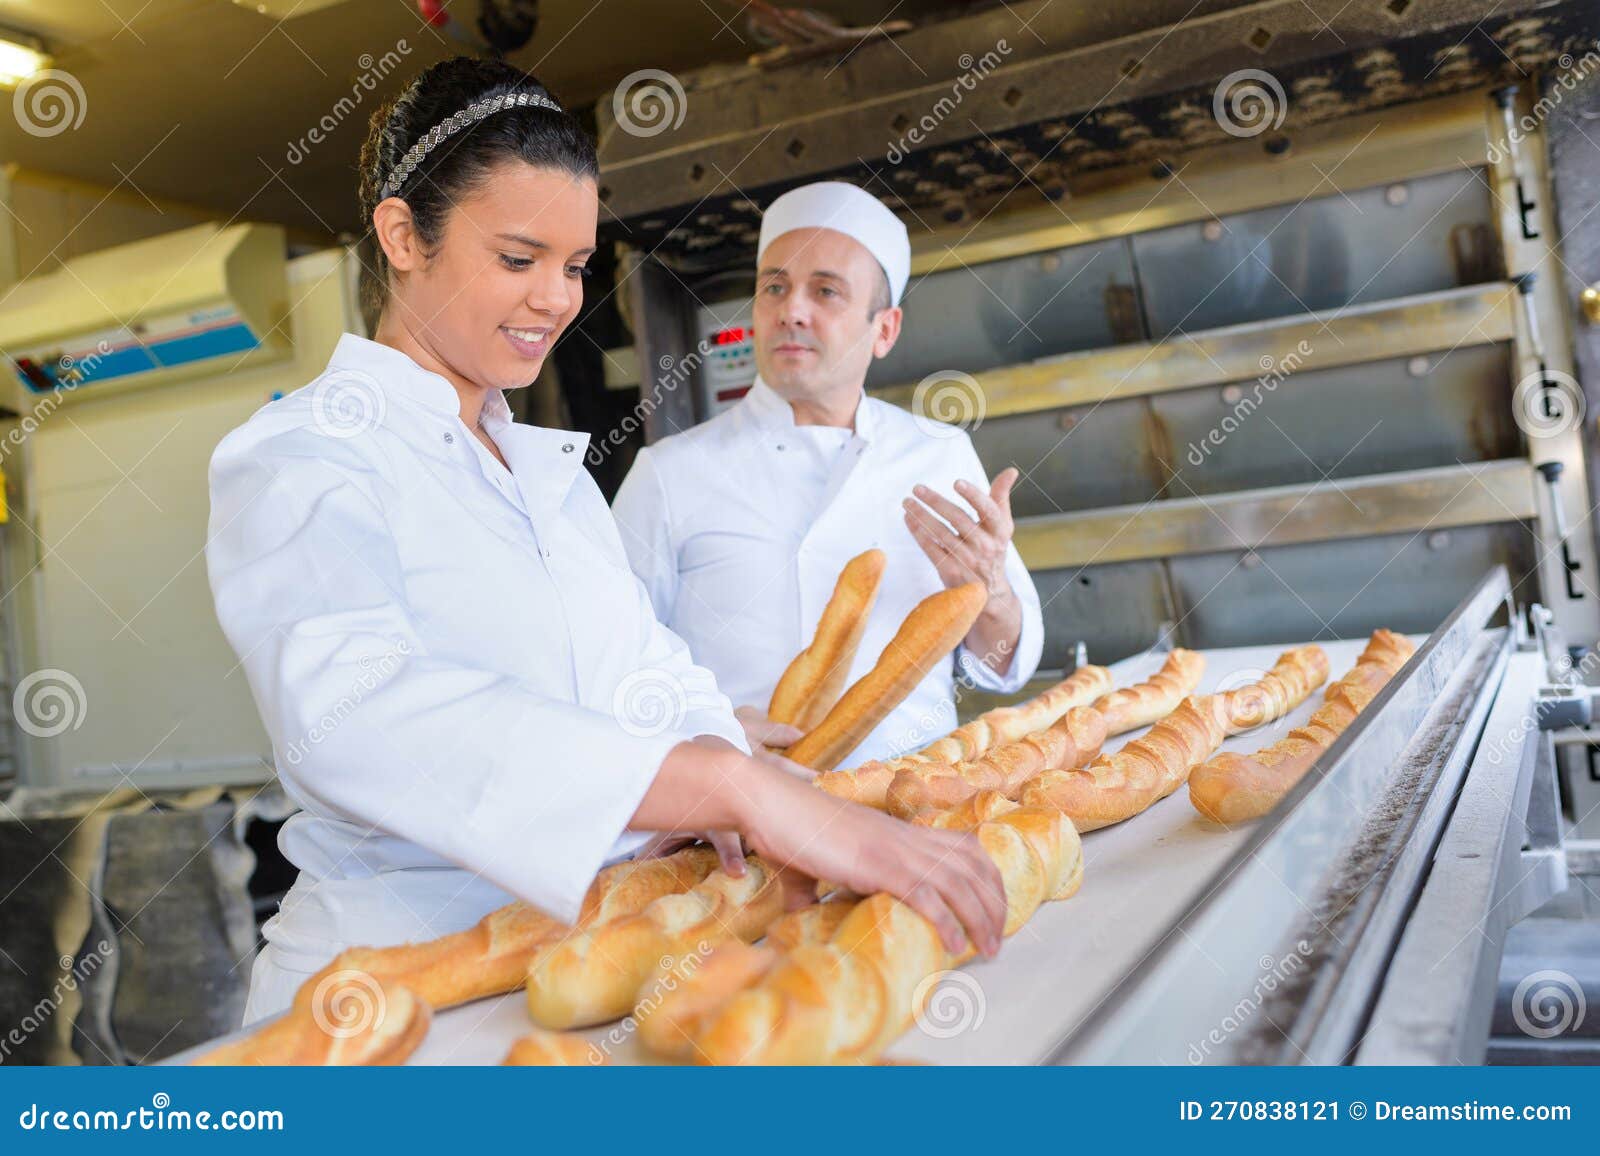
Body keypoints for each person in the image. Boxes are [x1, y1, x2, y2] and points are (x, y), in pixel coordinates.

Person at [205, 59, 1004, 1024]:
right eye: (518, 259)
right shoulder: (302, 455)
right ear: (402, 233)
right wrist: (727, 786)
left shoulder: (545, 475)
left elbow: (645, 669)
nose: (555, 299)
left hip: (570, 958)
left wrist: (729, 769)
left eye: (577, 266)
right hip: (386, 988)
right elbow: (359, 710)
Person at [612, 181, 1045, 767]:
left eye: (826, 291)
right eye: (775, 287)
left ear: (884, 330)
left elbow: (999, 668)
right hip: (740, 820)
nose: (792, 310)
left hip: (919, 801)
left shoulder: (938, 454)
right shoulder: (668, 474)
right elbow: (607, 663)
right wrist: (699, 730)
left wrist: (992, 592)